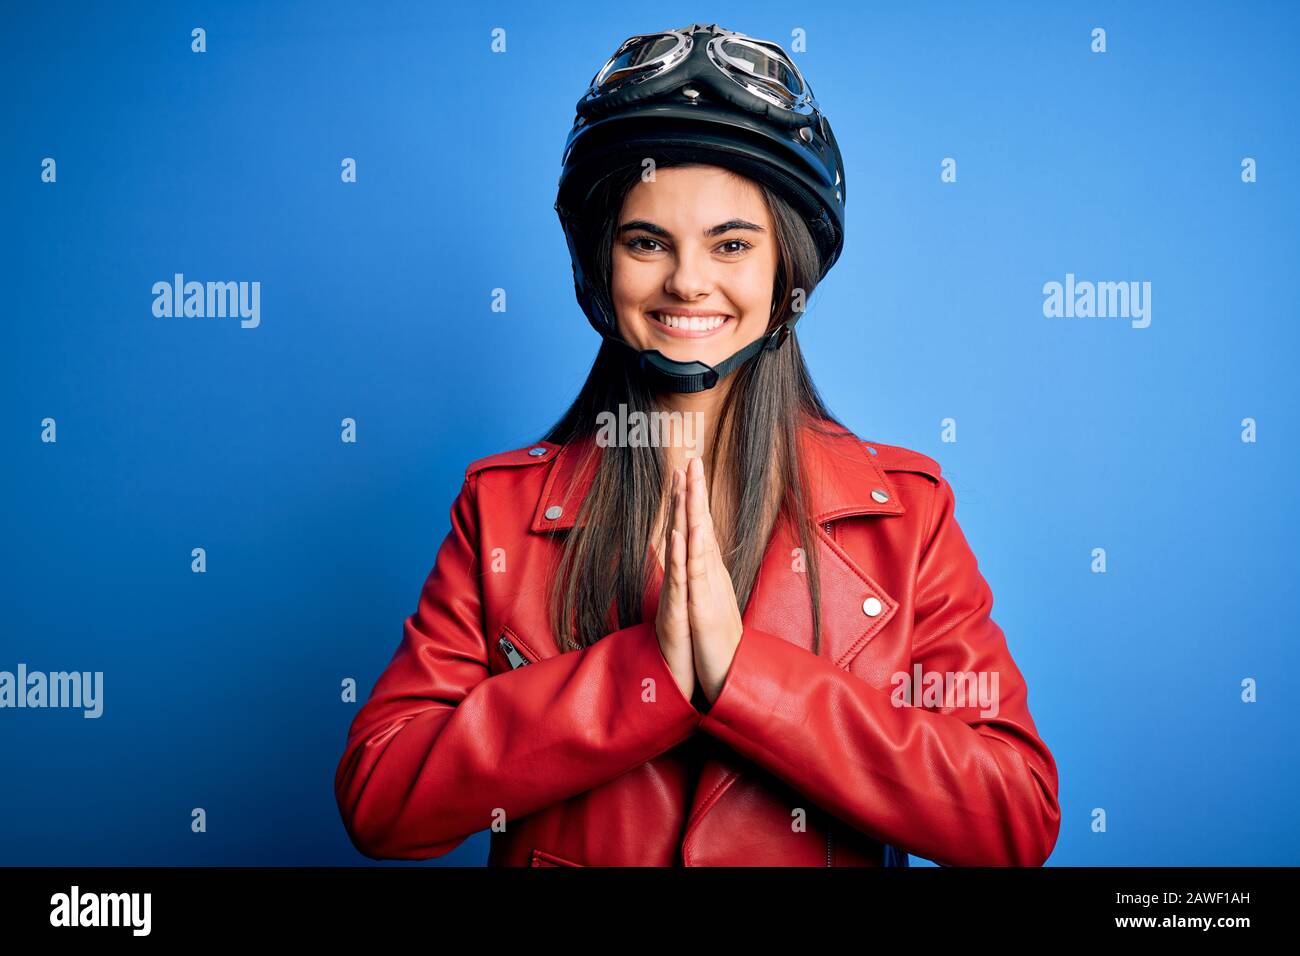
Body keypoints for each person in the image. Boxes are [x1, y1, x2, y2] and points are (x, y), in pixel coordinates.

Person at [334, 23, 1061, 867]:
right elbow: (382, 798)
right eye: (647, 242)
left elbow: (1013, 816)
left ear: (788, 270)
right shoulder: (499, 509)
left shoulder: (908, 511)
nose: (688, 281)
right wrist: (644, 675)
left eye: (732, 245)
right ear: (598, 265)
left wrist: (745, 677)